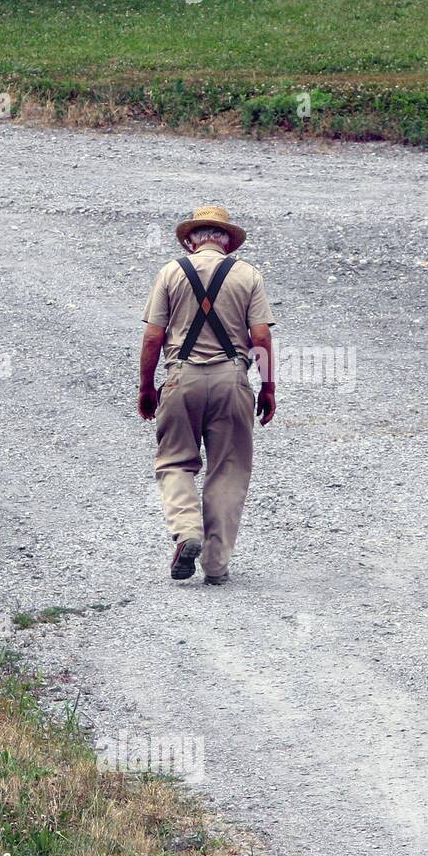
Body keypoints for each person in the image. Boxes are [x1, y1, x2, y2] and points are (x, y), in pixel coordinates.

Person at [137, 205, 276, 585]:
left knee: (175, 462)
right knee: (228, 470)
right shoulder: (248, 275)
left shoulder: (170, 272)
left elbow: (153, 337)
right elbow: (261, 337)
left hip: (182, 379)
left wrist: (146, 386)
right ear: (227, 241)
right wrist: (268, 386)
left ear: (190, 240)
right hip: (232, 380)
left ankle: (187, 532)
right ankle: (216, 566)